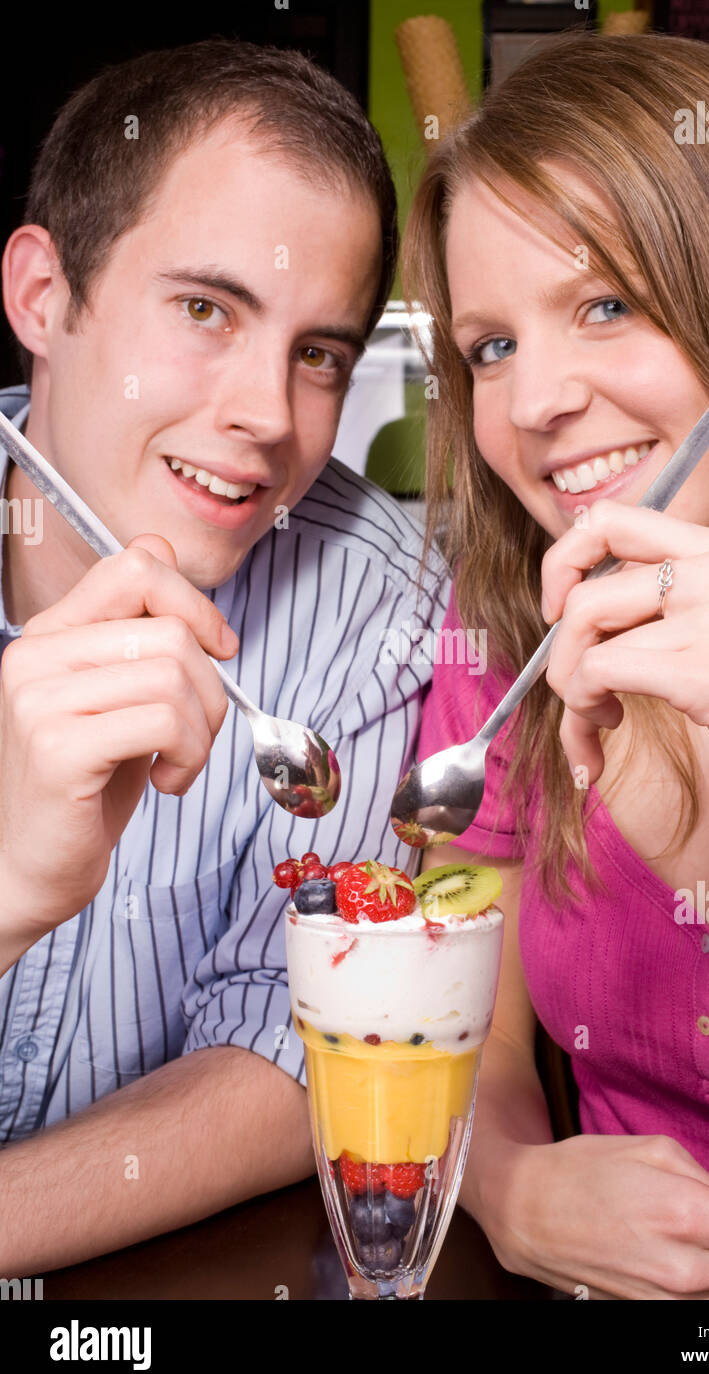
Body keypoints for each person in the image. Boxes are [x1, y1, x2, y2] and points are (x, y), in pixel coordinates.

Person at [403, 29, 709, 1300]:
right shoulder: (499, 634)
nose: (536, 399)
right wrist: (505, 1186)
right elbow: (468, 1022)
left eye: (603, 304)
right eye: (490, 345)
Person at [0, 39, 446, 1275]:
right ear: (43, 295)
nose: (264, 413)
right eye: (205, 309)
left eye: (318, 354)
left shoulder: (378, 602)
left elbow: (291, 1053)